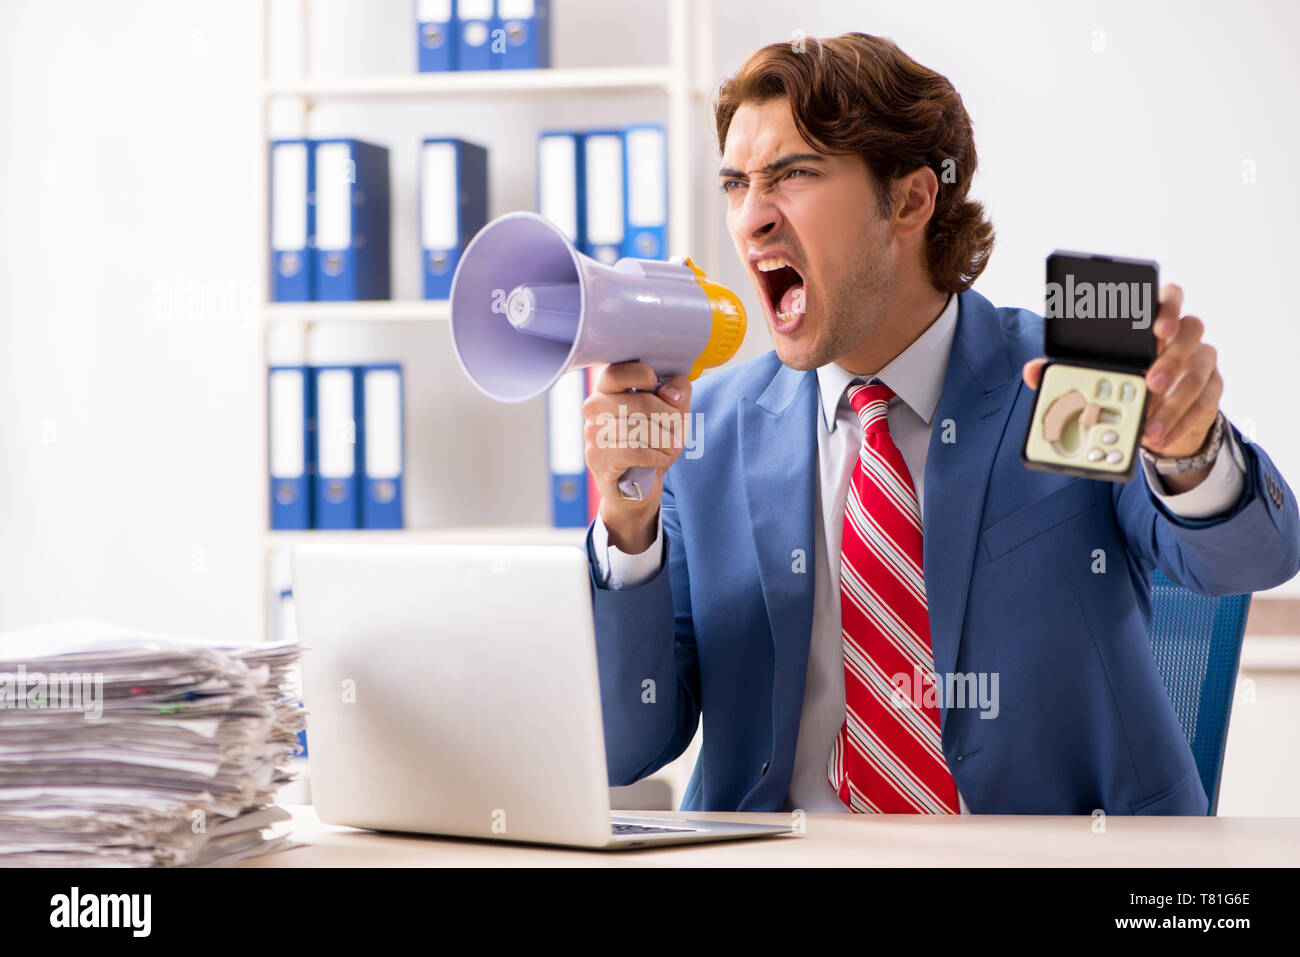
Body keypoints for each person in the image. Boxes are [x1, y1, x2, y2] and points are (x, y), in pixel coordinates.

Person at [580, 32, 1299, 814]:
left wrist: (1189, 452)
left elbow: (1250, 559)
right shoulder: (704, 432)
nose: (750, 218)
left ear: (914, 200)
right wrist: (626, 517)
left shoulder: (1065, 382)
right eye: (735, 184)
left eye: (793, 174)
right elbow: (625, 746)